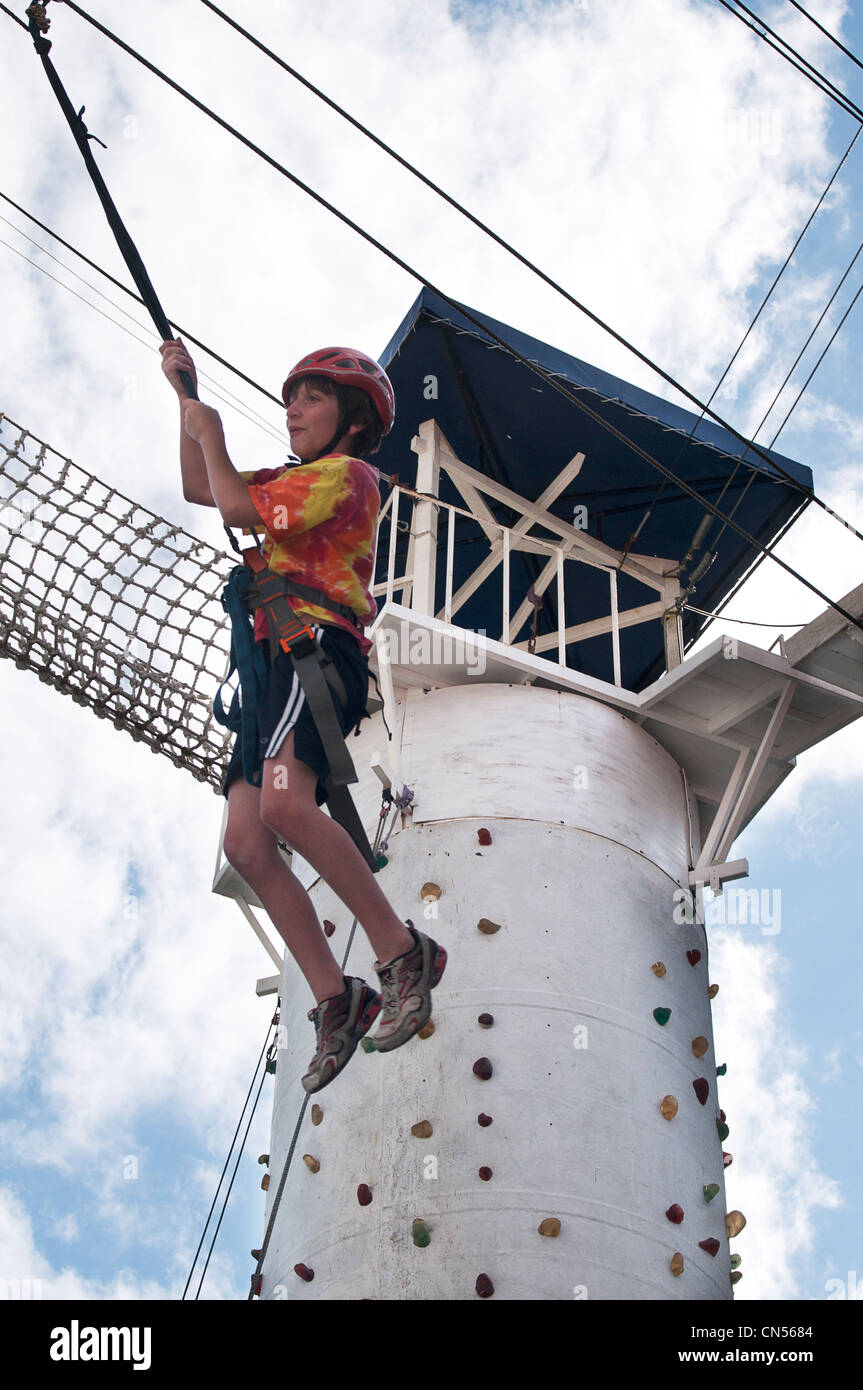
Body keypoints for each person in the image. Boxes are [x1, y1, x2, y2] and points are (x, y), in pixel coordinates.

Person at [159, 339, 446, 1092]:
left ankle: (400, 949)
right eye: (293, 397)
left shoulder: (346, 477)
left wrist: (213, 433)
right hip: (265, 668)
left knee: (287, 804)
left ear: (352, 419)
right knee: (248, 844)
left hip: (311, 649)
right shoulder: (296, 479)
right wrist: (185, 407)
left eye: (311, 398)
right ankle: (335, 996)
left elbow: (228, 503)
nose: (293, 409)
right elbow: (201, 487)